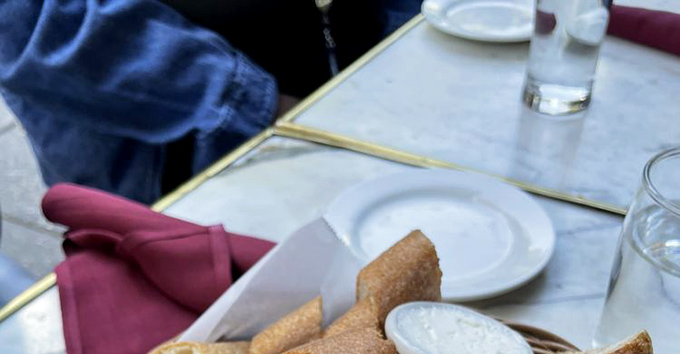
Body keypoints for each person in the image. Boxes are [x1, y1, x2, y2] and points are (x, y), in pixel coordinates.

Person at [0, 1, 418, 204]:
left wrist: (403, 41)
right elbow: (26, 20)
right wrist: (250, 106)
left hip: (339, 79)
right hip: (164, 141)